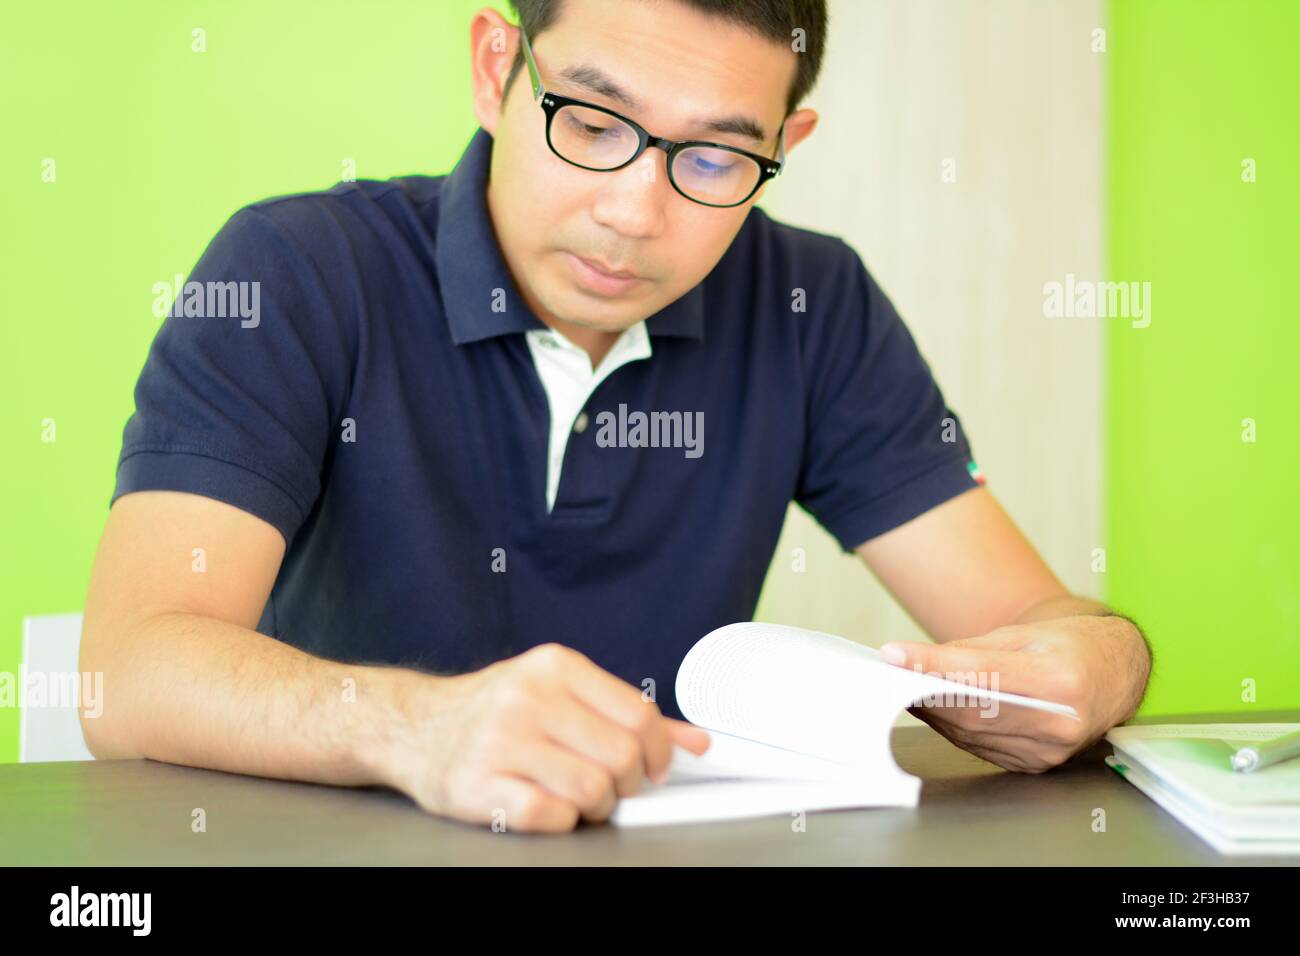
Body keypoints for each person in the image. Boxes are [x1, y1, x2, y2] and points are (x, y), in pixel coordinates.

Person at [81, 0, 1152, 833]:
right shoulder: (297, 271)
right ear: (497, 68)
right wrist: (418, 726)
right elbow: (130, 669)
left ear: (789, 140)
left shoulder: (809, 304)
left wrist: (1105, 664)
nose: (634, 212)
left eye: (716, 158)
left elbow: (1046, 622)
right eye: (591, 122)